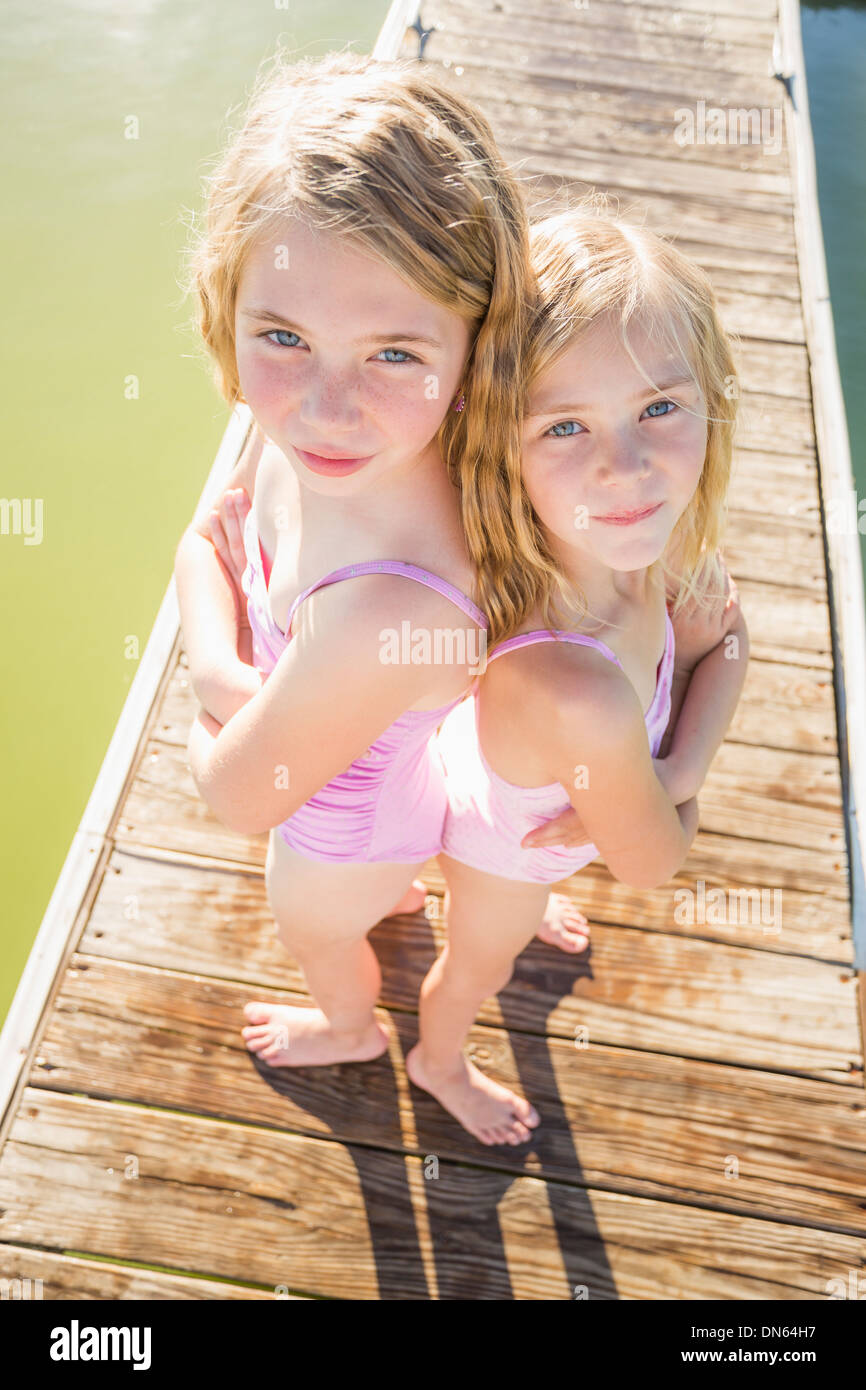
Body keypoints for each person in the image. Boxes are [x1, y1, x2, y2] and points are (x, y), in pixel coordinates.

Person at [173, 48, 536, 1069]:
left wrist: (214, 694)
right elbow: (201, 537)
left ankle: (349, 1026)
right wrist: (215, 671)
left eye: (393, 354)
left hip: (337, 839)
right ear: (230, 305)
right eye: (281, 333)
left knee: (314, 934)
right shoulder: (288, 421)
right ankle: (408, 890)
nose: (325, 407)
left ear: (476, 343)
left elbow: (239, 798)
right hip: (380, 775)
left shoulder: (383, 609)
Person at [406, 203, 749, 1145]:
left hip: (573, 787)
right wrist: (658, 787)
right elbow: (649, 862)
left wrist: (672, 777)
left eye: (660, 408)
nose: (627, 467)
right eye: (565, 428)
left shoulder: (660, 543)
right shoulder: (574, 686)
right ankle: (437, 1060)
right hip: (509, 847)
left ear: (708, 395)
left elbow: (731, 641)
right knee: (480, 960)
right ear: (500, 443)